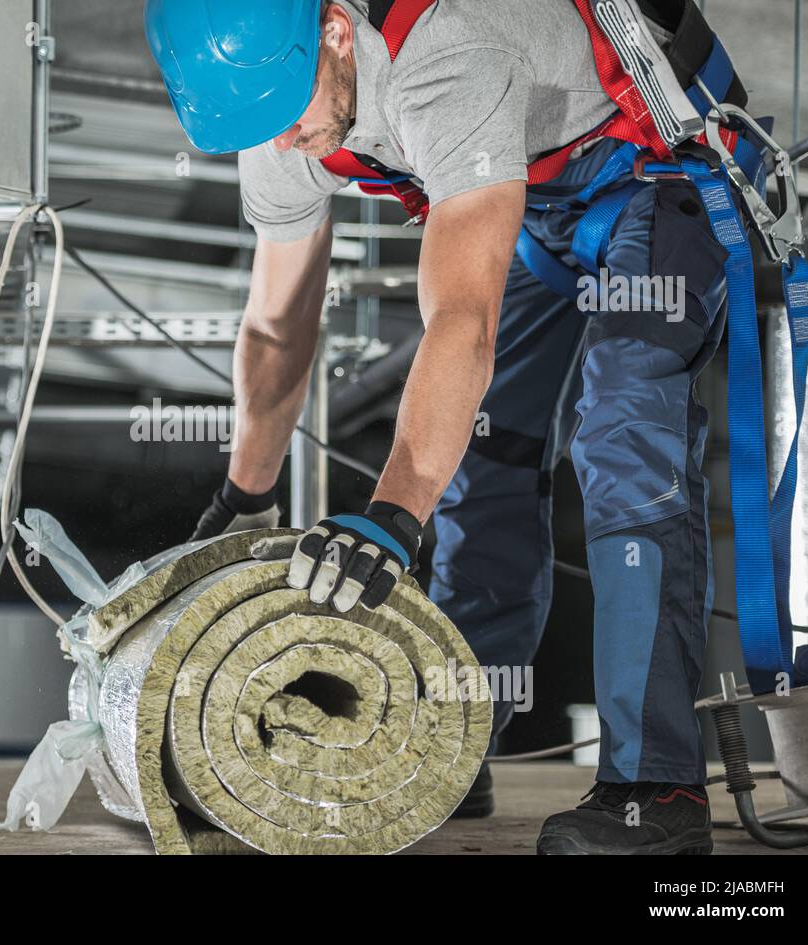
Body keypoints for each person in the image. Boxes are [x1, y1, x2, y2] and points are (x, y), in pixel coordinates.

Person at [146, 0, 738, 854]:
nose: (281, 145)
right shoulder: (277, 107)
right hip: (528, 191)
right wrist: (248, 493)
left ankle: (659, 787)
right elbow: (278, 327)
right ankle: (459, 742)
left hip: (648, 172)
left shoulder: (445, 61)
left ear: (337, 32)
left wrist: (389, 518)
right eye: (258, 129)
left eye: (287, 117)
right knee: (484, 453)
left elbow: (462, 318)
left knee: (623, 426)